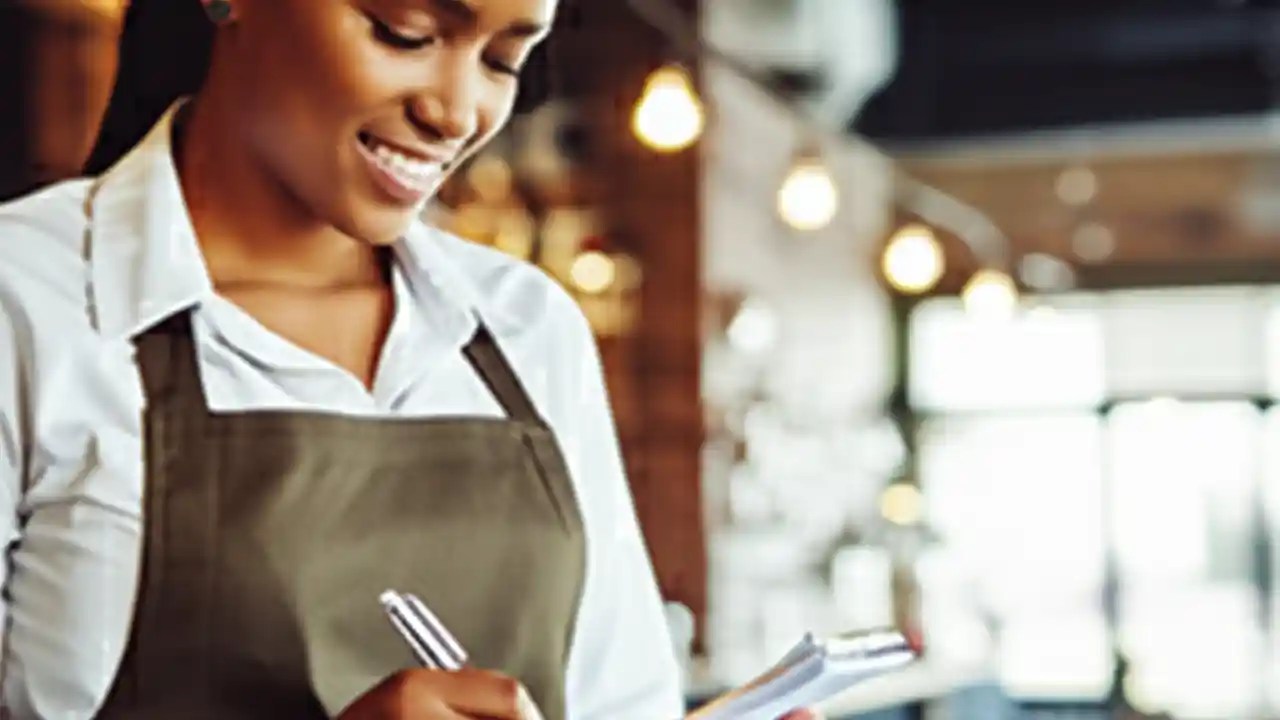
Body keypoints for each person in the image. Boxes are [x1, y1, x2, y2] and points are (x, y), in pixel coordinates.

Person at [0, 0, 822, 718]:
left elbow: (618, 702)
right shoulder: (28, 304)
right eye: (406, 34)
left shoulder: (529, 331)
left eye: (504, 60)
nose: (458, 112)